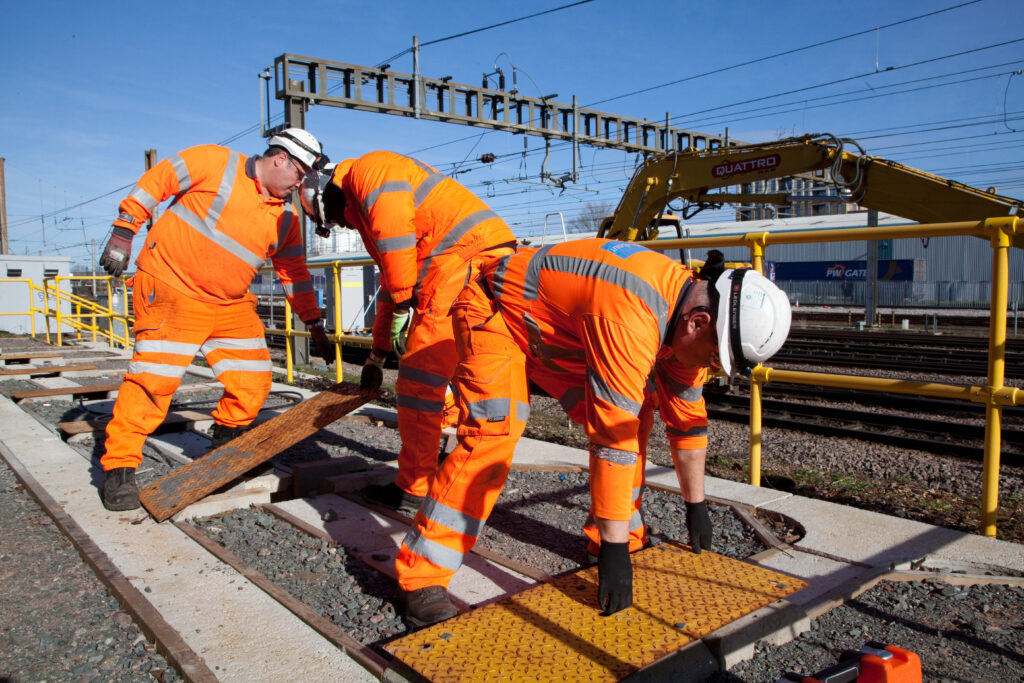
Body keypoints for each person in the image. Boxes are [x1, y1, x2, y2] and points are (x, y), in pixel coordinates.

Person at [393, 238, 792, 627]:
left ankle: (618, 532)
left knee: (640, 410)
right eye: (713, 359)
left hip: (551, 329)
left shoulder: (685, 306)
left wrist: (697, 504)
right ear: (699, 322)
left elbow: (687, 418)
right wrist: (615, 558)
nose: (711, 368)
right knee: (494, 431)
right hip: (494, 314)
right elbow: (612, 440)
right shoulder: (631, 316)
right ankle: (423, 576)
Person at [97, 128, 334, 512]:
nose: (299, 185)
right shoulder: (214, 162)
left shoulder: (286, 219)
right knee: (153, 383)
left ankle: (226, 452)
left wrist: (313, 322)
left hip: (229, 305)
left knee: (253, 380)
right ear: (280, 160)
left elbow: (293, 272)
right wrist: (124, 233)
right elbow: (156, 182)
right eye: (300, 175)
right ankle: (120, 466)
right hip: (172, 287)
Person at [299, 151, 517, 513]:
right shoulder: (367, 199)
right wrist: (378, 354)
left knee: (419, 379)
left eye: (333, 218)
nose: (340, 225)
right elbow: (391, 278)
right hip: (476, 256)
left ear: (328, 189)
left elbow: (396, 260)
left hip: (457, 260)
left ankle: (415, 486)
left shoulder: (370, 171)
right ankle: (463, 468)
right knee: (473, 368)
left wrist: (403, 301)